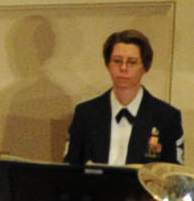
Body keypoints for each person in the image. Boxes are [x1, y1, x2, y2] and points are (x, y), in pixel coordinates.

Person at [65, 28, 184, 176]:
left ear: (145, 67)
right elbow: (70, 169)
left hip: (141, 198)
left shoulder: (167, 117)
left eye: (132, 62)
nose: (123, 68)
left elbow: (172, 176)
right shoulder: (86, 113)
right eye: (117, 61)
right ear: (108, 64)